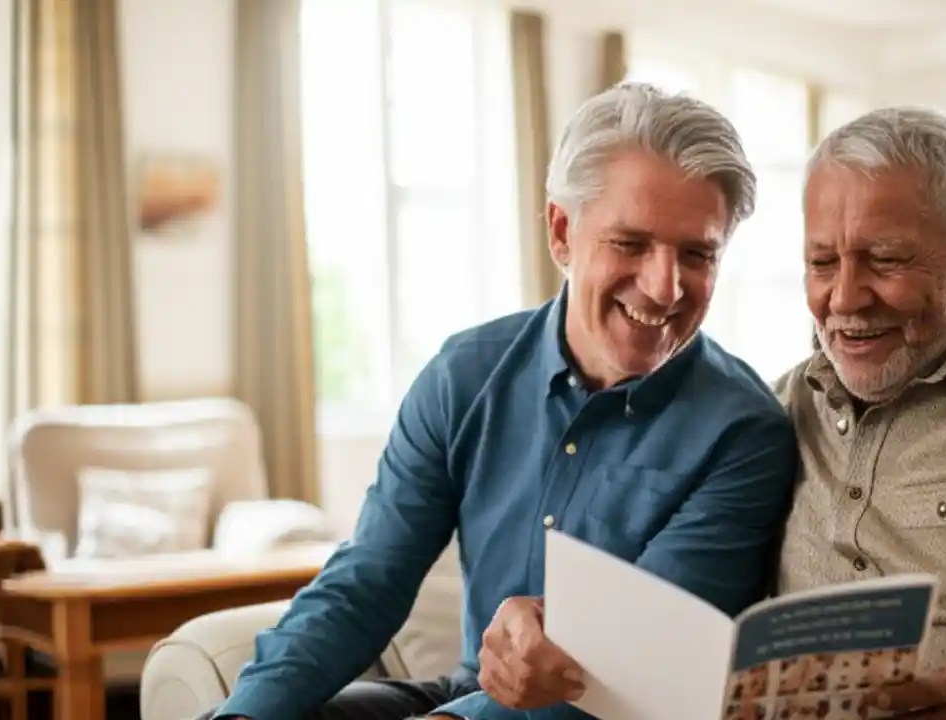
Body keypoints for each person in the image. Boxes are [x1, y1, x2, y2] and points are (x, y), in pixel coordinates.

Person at [479, 106, 946, 720]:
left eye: (885, 260)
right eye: (821, 262)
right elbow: (671, 606)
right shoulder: (769, 416)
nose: (843, 300)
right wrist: (543, 626)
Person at [204, 82, 797, 720]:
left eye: (696, 254)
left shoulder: (744, 432)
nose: (663, 286)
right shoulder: (464, 376)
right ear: (563, 231)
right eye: (630, 244)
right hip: (466, 697)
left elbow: (629, 671)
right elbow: (366, 582)